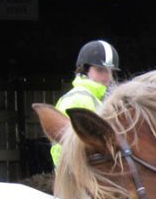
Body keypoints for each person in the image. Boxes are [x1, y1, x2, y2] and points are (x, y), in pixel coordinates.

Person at [50, 39, 119, 168]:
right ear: (84, 70)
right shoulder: (78, 99)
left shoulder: (98, 99)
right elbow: (66, 146)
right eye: (100, 70)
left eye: (110, 71)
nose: (107, 77)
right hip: (82, 174)